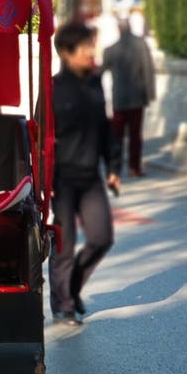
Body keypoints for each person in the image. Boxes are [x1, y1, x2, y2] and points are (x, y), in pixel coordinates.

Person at [49, 21, 121, 326]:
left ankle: (73, 287)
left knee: (102, 238)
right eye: (85, 47)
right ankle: (63, 305)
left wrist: (113, 167)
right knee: (64, 246)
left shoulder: (95, 83)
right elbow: (41, 138)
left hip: (91, 176)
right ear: (66, 52)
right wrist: (43, 180)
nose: (91, 51)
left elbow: (105, 128)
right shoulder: (52, 88)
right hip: (61, 179)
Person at [101, 16, 155, 177]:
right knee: (135, 135)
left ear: (119, 29)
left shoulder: (110, 50)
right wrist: (150, 94)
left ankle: (115, 169)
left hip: (118, 99)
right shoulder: (141, 45)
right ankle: (134, 167)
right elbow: (148, 70)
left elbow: (100, 72)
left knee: (117, 135)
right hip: (137, 98)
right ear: (130, 27)